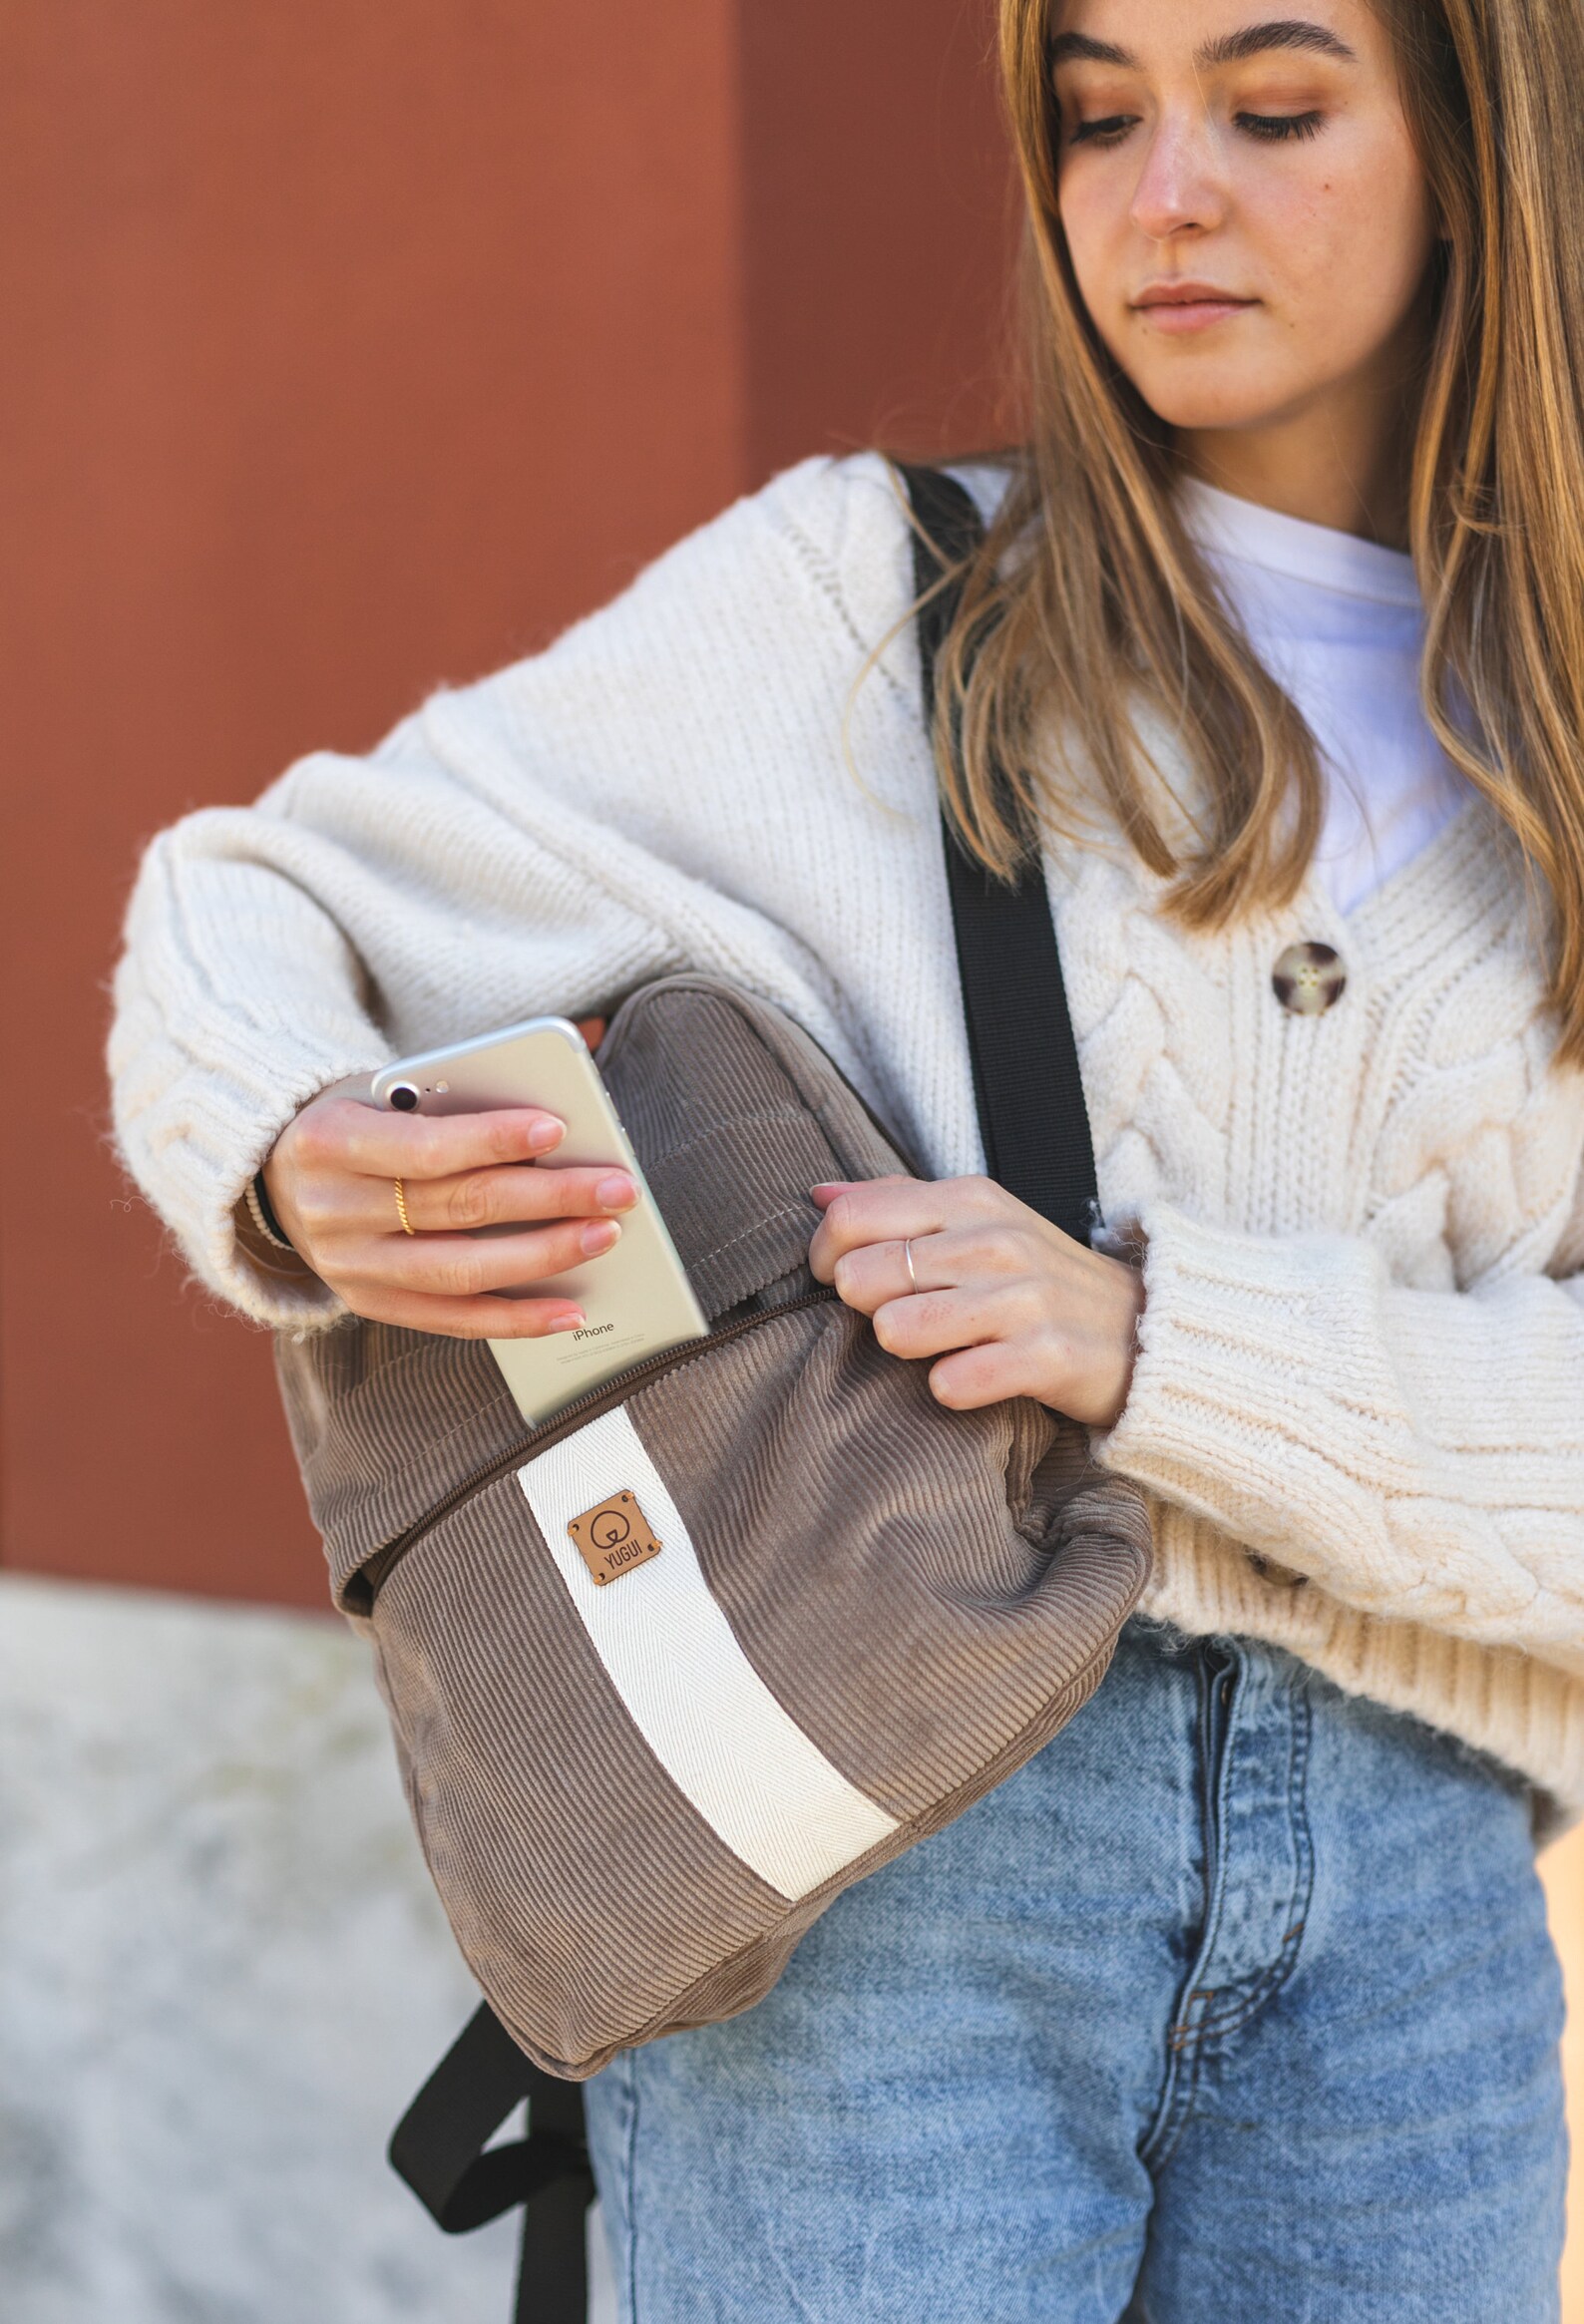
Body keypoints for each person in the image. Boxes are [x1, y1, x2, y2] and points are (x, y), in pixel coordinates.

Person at [110, 1, 1584, 2315]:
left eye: (1271, 108)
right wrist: (298, 1150)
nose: (1159, 193)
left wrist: (1160, 1342)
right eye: (1095, 115)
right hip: (899, 1851)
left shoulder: (1557, 742)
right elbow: (262, 893)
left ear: (1478, 139)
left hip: (1417, 1907)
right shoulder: (876, 602)